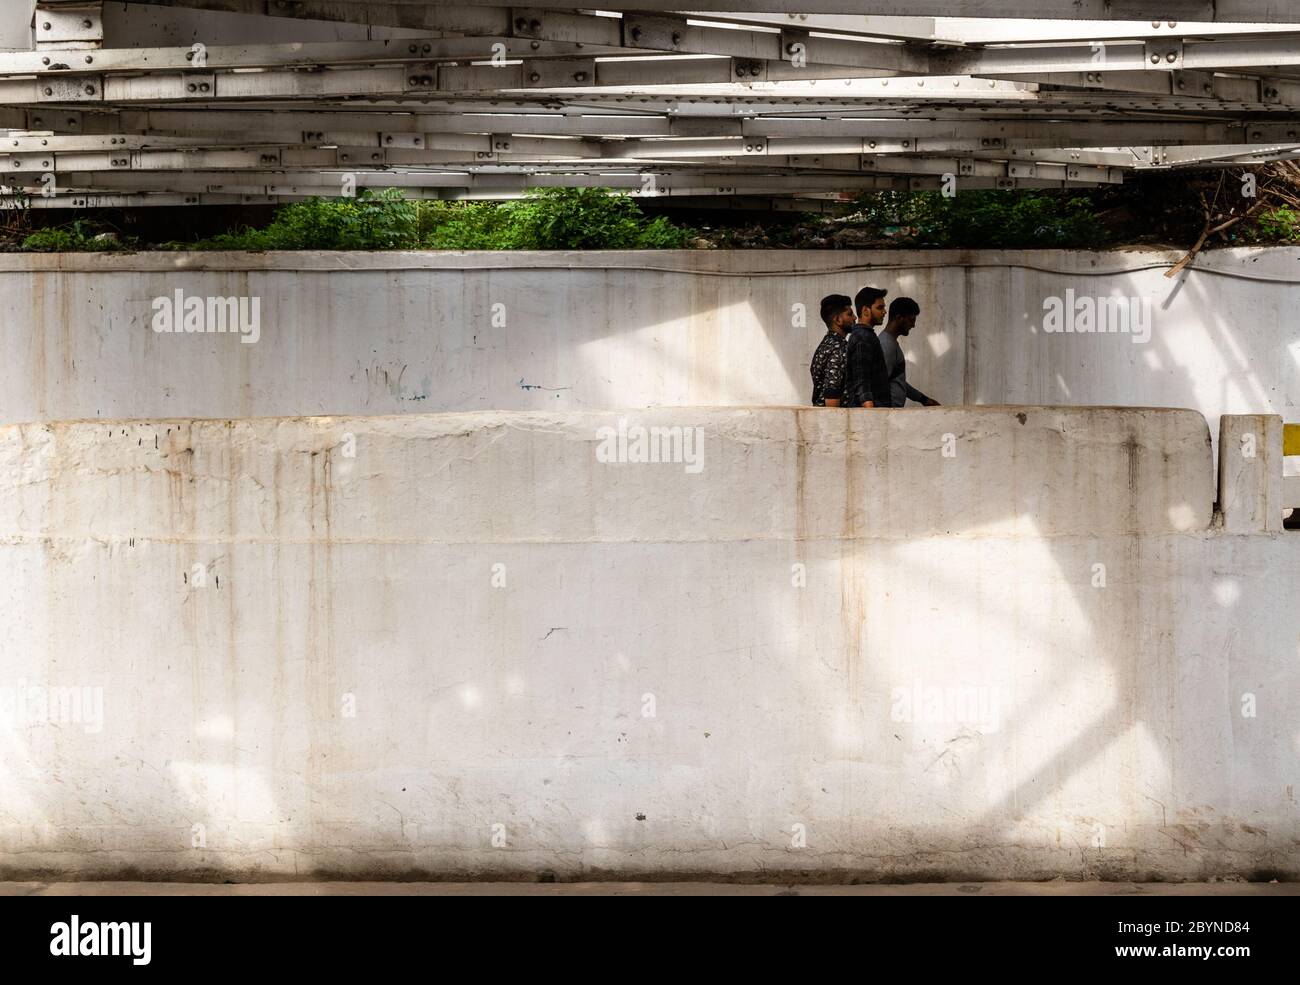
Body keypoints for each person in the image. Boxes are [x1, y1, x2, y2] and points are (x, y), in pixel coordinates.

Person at [878, 297, 940, 407]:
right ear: (899, 318)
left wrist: (923, 399)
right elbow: (880, 383)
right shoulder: (887, 345)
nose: (913, 325)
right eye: (911, 320)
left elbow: (897, 381)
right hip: (888, 412)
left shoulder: (890, 343)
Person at [844, 286, 892, 408]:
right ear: (866, 310)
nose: (884, 312)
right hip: (870, 416)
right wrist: (871, 417)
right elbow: (862, 382)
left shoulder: (866, 335)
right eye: (880, 307)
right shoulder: (863, 338)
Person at [810, 294, 853, 406]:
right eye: (850, 314)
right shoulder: (838, 348)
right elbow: (831, 395)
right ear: (838, 320)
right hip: (833, 420)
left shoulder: (825, 344)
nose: (855, 318)